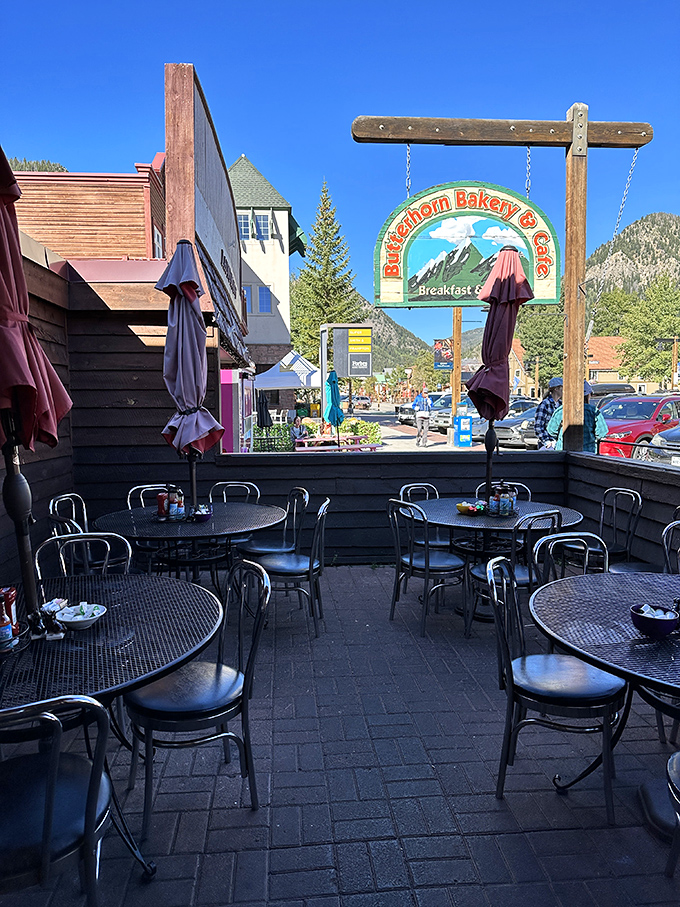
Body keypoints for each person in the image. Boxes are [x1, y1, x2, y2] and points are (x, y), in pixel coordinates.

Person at [546, 380, 608, 452]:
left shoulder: (562, 410)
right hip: (588, 453)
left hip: (563, 453)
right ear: (588, 395)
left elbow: (551, 430)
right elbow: (601, 433)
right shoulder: (593, 411)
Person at [534, 377, 563, 450]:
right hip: (547, 444)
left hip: (558, 444)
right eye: (562, 388)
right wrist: (547, 442)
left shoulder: (561, 404)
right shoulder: (545, 404)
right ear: (556, 389)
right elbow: (538, 426)